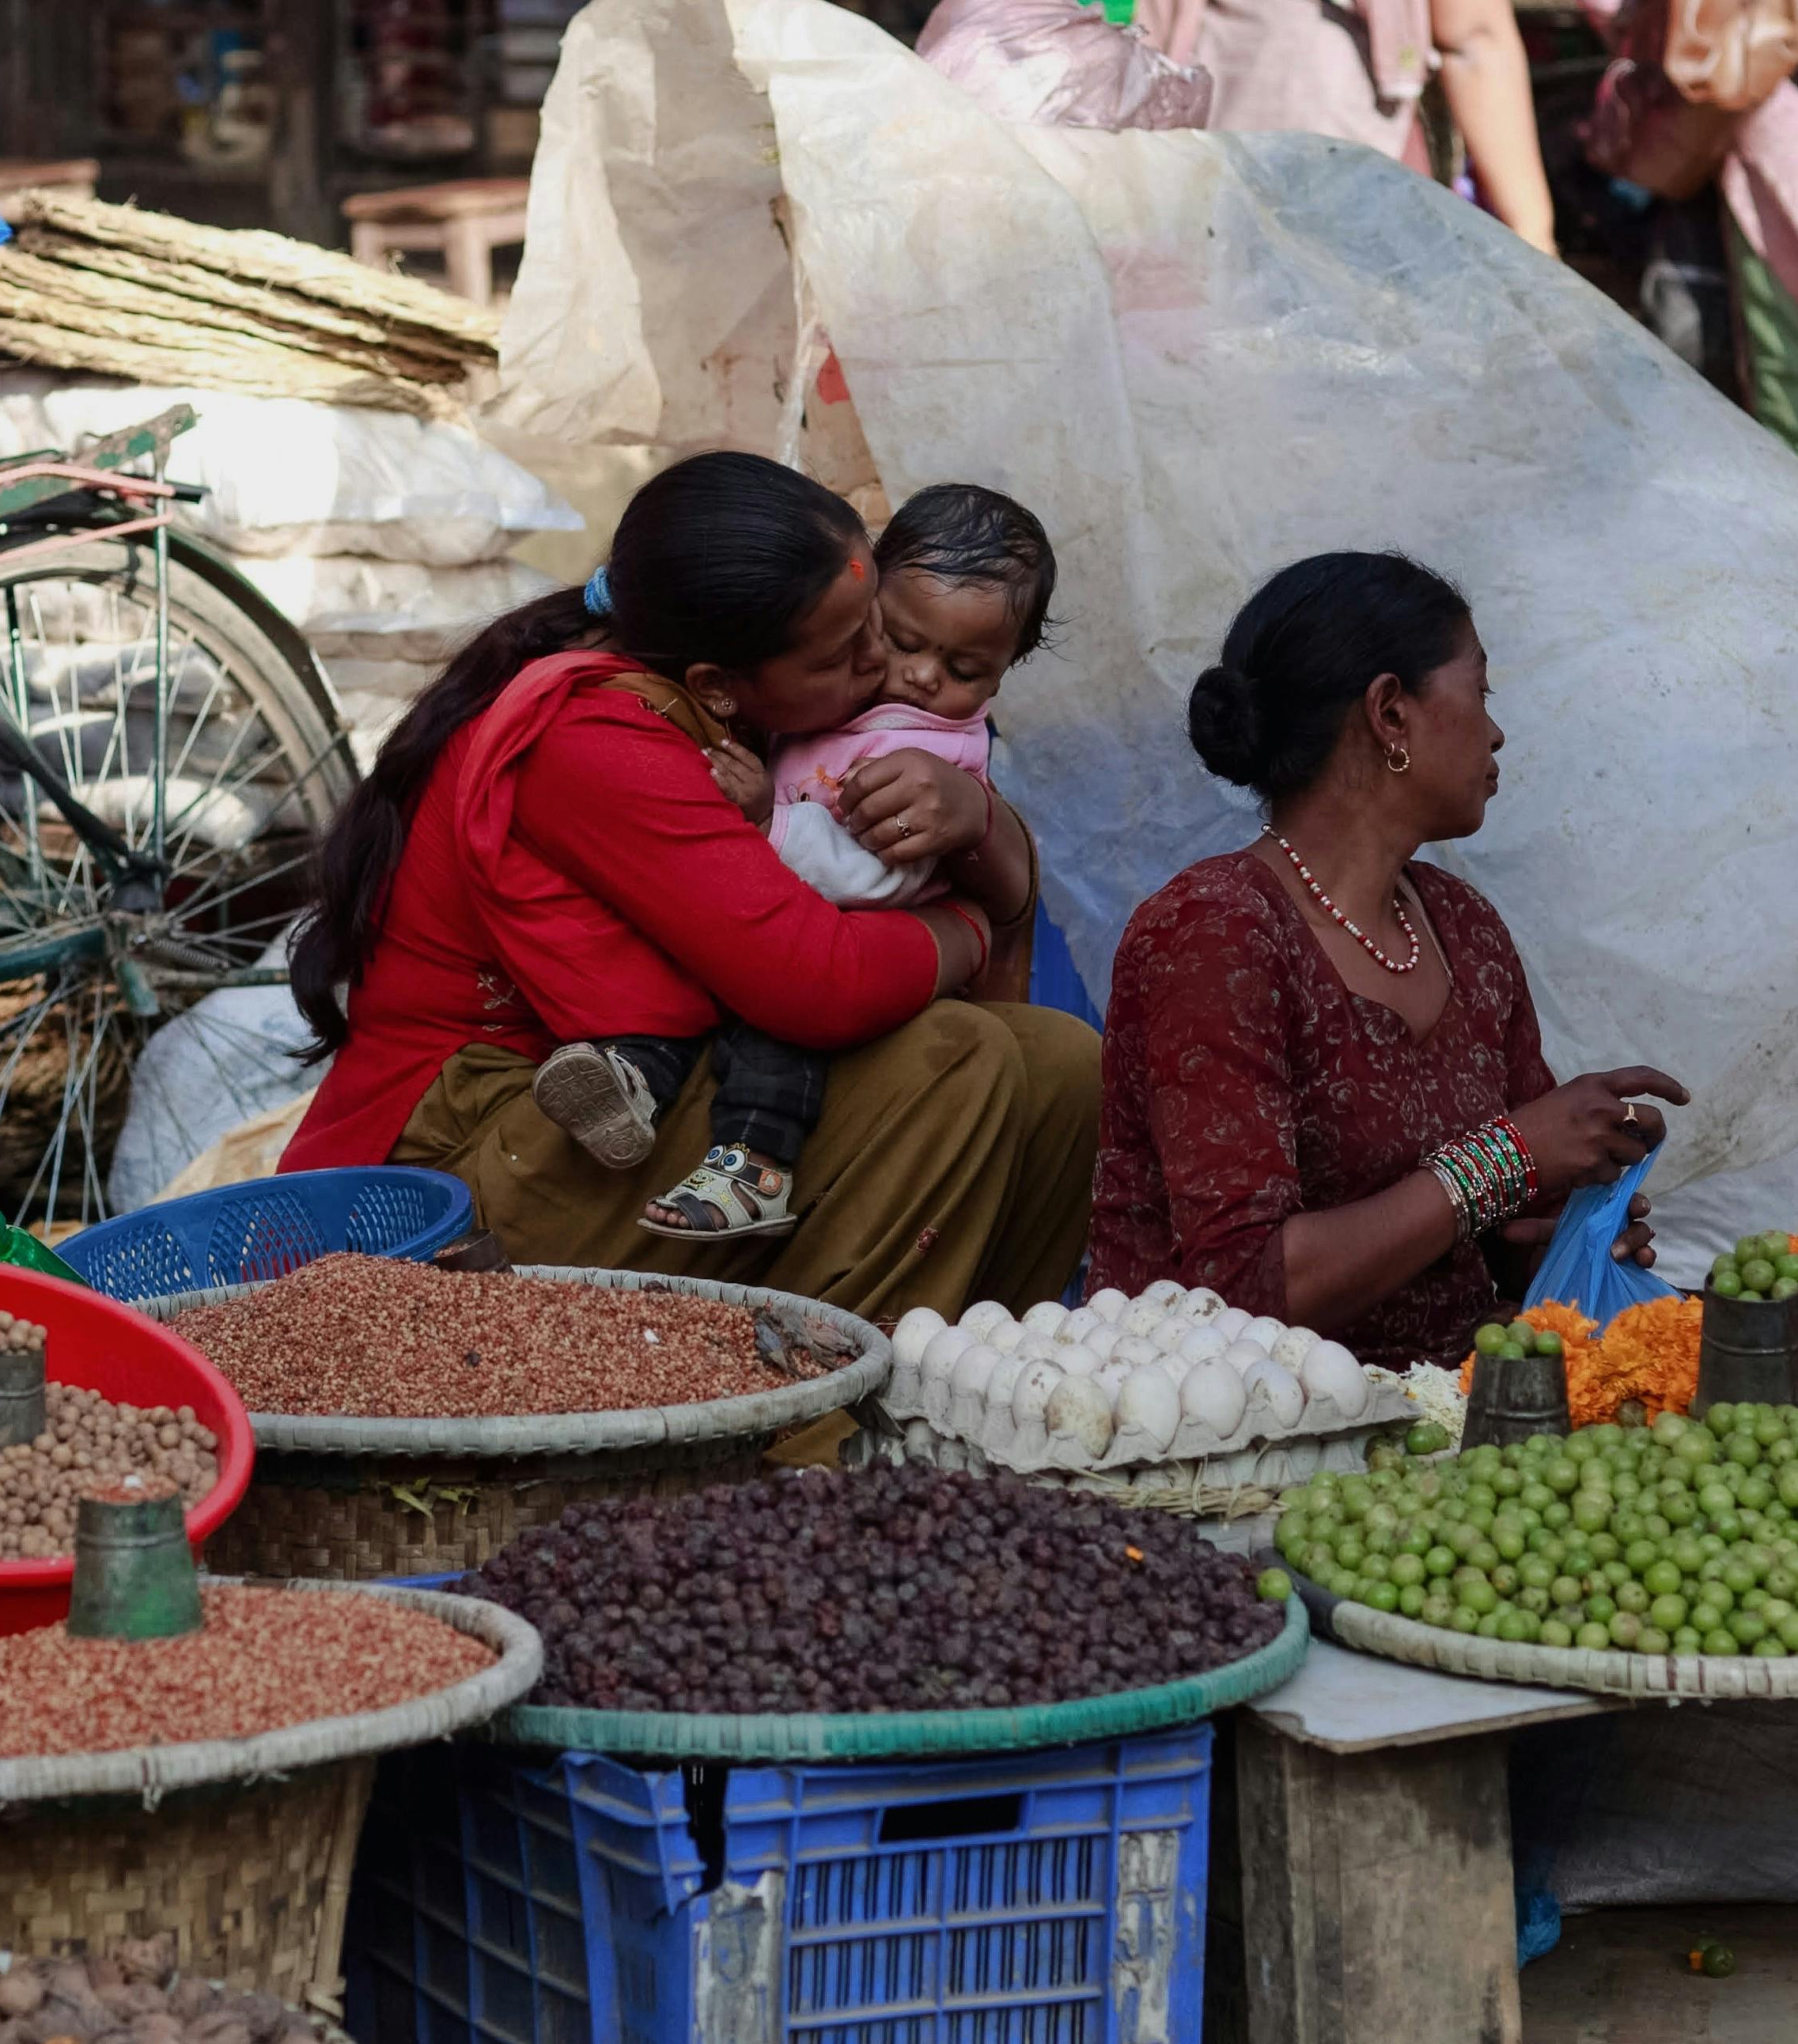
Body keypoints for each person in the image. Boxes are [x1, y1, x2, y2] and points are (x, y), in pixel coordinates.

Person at [280, 452, 1097, 1323]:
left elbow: (934, 850)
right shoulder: (598, 739)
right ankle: (803, 1429)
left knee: (1066, 1065)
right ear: (719, 682)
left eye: (875, 628)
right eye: (863, 646)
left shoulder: (749, 690)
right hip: (477, 1160)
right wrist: (974, 923)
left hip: (625, 1106)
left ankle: (949, 1395)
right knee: (953, 1062)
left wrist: (977, 815)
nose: (885, 669)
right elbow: (818, 981)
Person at [1090, 552, 1685, 1368]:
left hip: (1445, 1408)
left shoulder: (1462, 927)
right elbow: (1241, 1287)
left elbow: (1498, 1226)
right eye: (1479, 692)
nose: (1496, 729)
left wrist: (1578, 1218)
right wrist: (1504, 1160)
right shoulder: (1212, 933)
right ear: (1390, 714)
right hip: (1236, 1438)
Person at [530, 483, 1057, 1243]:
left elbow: (879, 877)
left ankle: (756, 1167)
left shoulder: (931, 750)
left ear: (1004, 672)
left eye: (964, 668)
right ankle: (633, 1081)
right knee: (687, 990)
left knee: (779, 1044)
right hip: (780, 932)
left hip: (854, 944)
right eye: (896, 640)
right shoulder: (810, 701)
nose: (915, 675)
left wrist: (770, 823)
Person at [1153, 0, 1557, 256]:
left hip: (1197, 166)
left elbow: (1474, 39)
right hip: (1329, 177)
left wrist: (1533, 233)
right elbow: (1474, 39)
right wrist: (1533, 236)